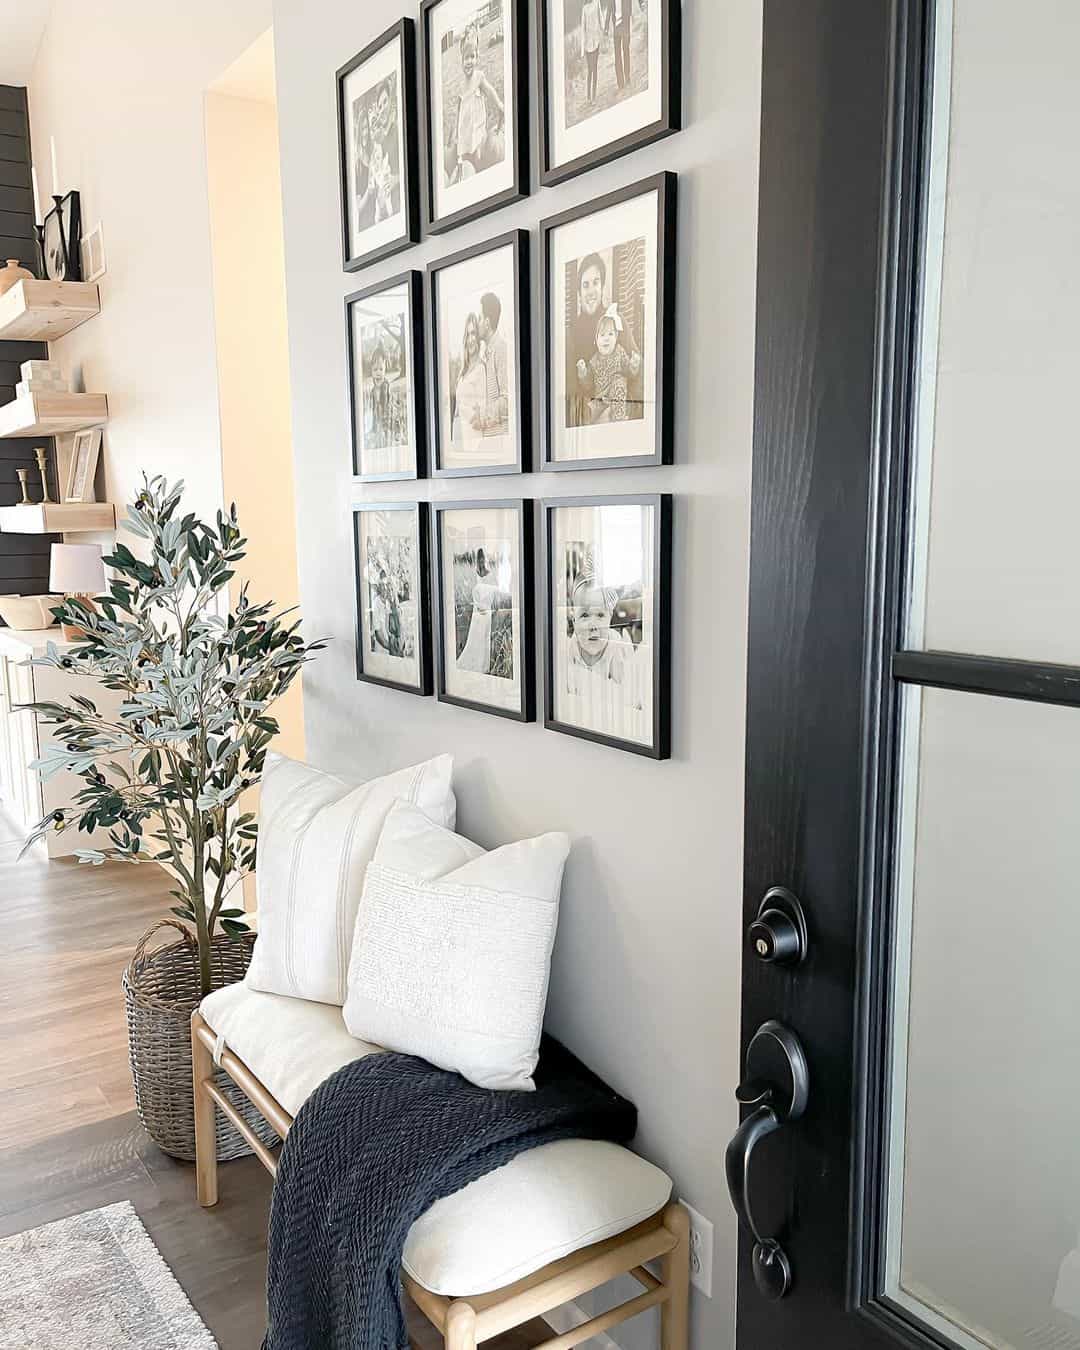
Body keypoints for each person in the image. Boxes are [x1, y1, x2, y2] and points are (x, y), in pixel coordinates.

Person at [565, 576, 646, 734]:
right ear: (574, 621)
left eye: (600, 615)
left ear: (610, 618)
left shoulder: (616, 647)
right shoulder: (570, 648)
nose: (593, 625)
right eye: (584, 615)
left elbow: (627, 698)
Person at [449, 23, 505, 183]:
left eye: (472, 57)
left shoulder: (479, 77)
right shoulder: (461, 85)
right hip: (465, 128)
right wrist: (456, 132)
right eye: (466, 58)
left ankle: (482, 170)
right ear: (461, 60)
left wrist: (499, 104)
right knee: (466, 153)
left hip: (478, 125)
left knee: (479, 151)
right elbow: (459, 109)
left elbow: (489, 91)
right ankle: (468, 170)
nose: (469, 61)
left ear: (477, 58)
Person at [576, 303, 642, 422]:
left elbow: (629, 373)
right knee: (589, 412)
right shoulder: (594, 361)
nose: (606, 338)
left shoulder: (620, 352)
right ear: (596, 340)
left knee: (619, 382)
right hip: (600, 400)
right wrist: (582, 372)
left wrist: (633, 366)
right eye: (602, 335)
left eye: (610, 334)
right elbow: (588, 384)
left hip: (618, 397)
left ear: (616, 337)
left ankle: (618, 419)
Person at [567, 252, 608, 426]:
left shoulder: (616, 323)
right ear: (579, 292)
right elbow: (569, 392)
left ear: (602, 286)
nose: (591, 291)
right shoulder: (570, 333)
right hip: (583, 421)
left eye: (596, 283)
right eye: (585, 285)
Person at [457, 548, 498, 674]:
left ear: (484, 560)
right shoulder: (475, 574)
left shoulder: (489, 574)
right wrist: (478, 605)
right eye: (479, 559)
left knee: (484, 637)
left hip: (486, 611)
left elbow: (493, 591)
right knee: (475, 637)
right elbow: (472, 591)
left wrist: (486, 606)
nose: (481, 562)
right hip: (477, 610)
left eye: (482, 559)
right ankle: (474, 663)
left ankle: (483, 666)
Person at [473, 292, 509, 435]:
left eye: (480, 318)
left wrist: (482, 415)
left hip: (499, 439)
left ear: (487, 323)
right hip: (488, 438)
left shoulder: (501, 349)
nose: (477, 324)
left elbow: (507, 400)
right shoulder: (485, 355)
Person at [453, 312, 488, 454]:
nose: (471, 339)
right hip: (458, 436)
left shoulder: (481, 368)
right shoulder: (463, 371)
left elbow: (483, 409)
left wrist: (471, 415)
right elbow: (457, 409)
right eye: (468, 334)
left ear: (478, 337)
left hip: (474, 442)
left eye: (473, 333)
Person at [580, 0, 603, 104]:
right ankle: (589, 96)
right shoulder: (584, 8)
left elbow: (600, 17)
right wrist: (582, 50)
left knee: (595, 68)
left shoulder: (597, 2)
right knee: (590, 70)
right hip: (588, 45)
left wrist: (604, 30)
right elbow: (583, 29)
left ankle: (594, 96)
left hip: (596, 41)